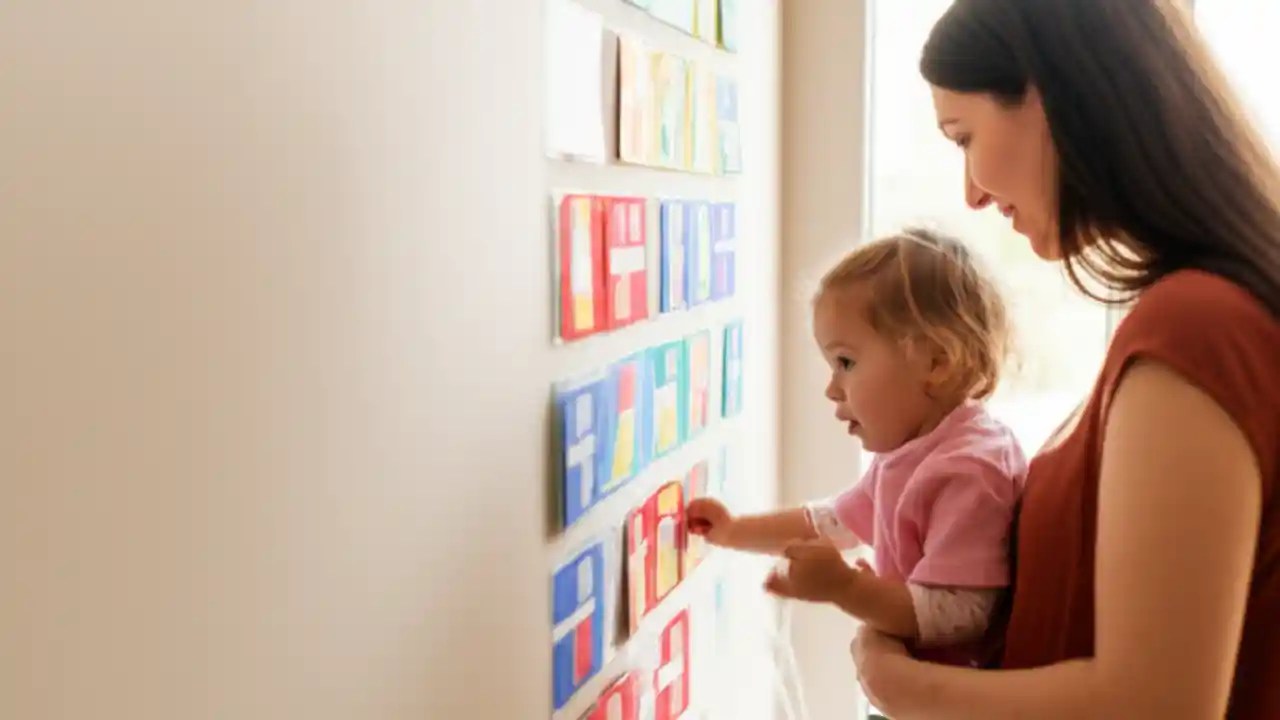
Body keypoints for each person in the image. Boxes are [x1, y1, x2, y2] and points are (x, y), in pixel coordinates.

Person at [850, 1, 1280, 718]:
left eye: (965, 137)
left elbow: (1154, 704)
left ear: (1052, 97)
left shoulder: (1195, 330)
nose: (973, 193)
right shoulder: (1213, 316)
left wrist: (899, 685)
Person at [687, 229, 1027, 667]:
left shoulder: (970, 469)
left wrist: (847, 588)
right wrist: (734, 531)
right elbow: (832, 522)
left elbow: (961, 614)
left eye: (845, 363)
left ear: (936, 363)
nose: (832, 389)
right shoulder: (913, 452)